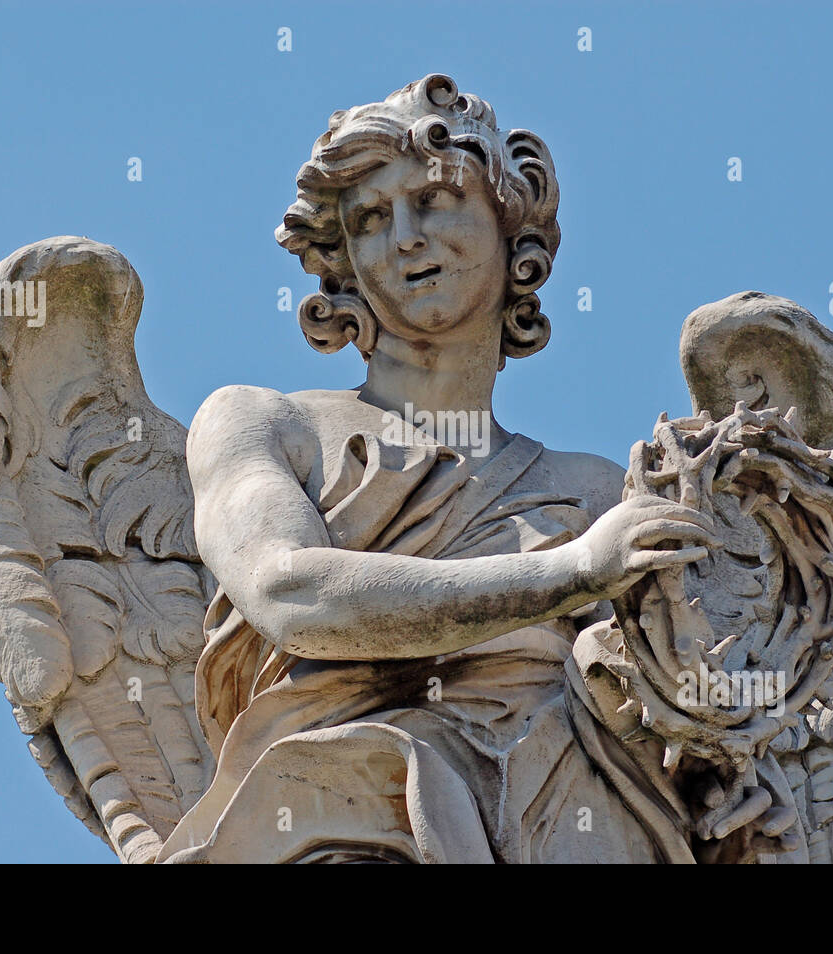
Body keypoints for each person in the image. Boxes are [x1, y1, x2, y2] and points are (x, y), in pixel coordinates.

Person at [159, 75, 723, 863]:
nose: (406, 238)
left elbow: (662, 719)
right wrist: (574, 572)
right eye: (370, 219)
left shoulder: (602, 492)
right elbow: (291, 593)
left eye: (433, 200)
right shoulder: (266, 424)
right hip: (336, 819)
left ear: (511, 227)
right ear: (343, 260)